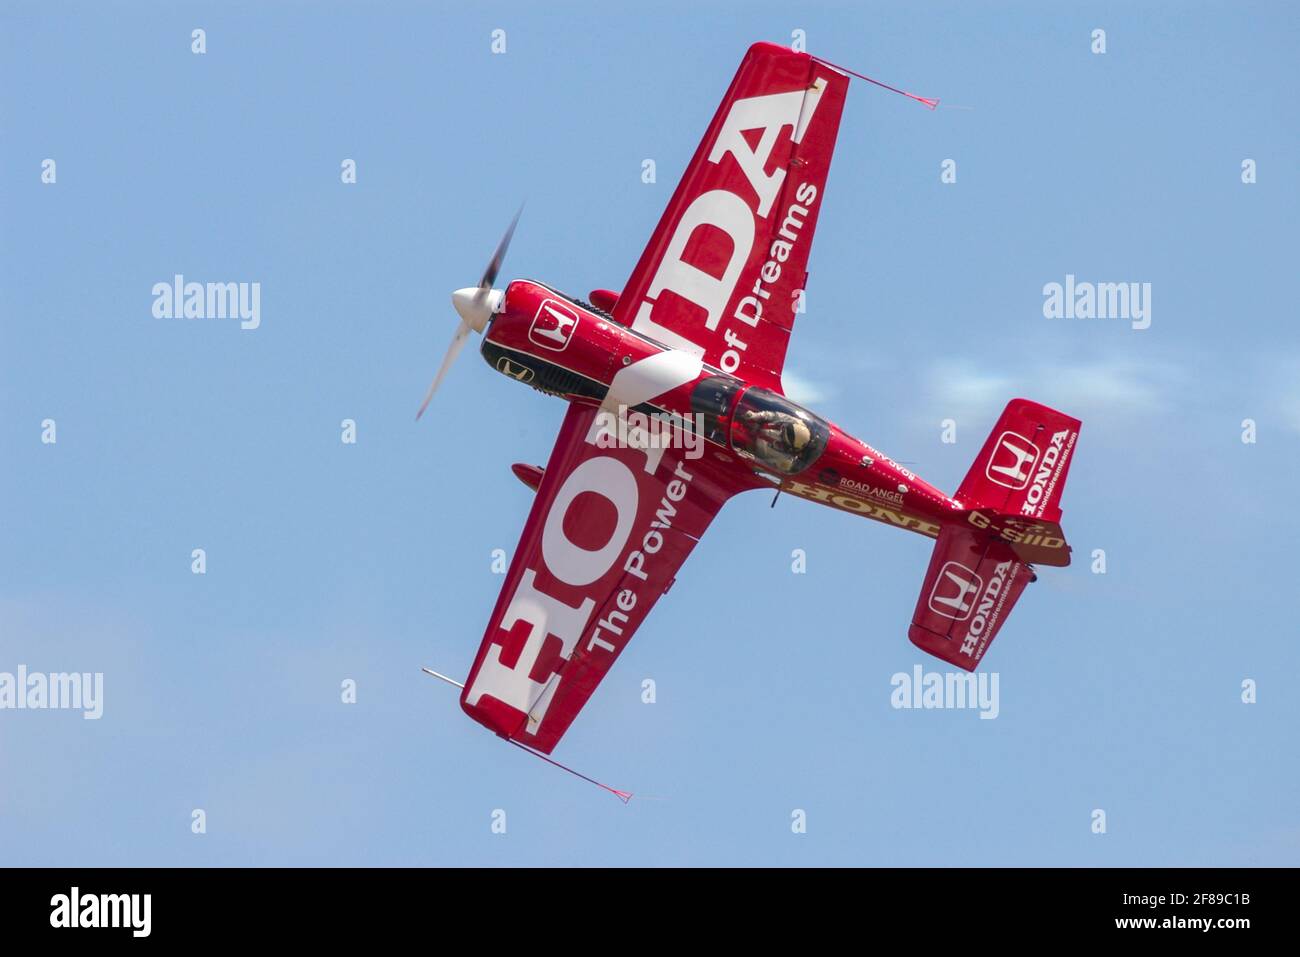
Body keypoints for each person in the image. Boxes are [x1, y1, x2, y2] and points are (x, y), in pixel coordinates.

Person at [738, 408, 813, 473]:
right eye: (783, 429)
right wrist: (756, 416)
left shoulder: (785, 462)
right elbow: (775, 415)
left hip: (746, 444)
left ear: (789, 446)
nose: (780, 432)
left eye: (782, 436)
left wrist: (744, 454)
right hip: (754, 421)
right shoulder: (797, 423)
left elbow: (761, 465)